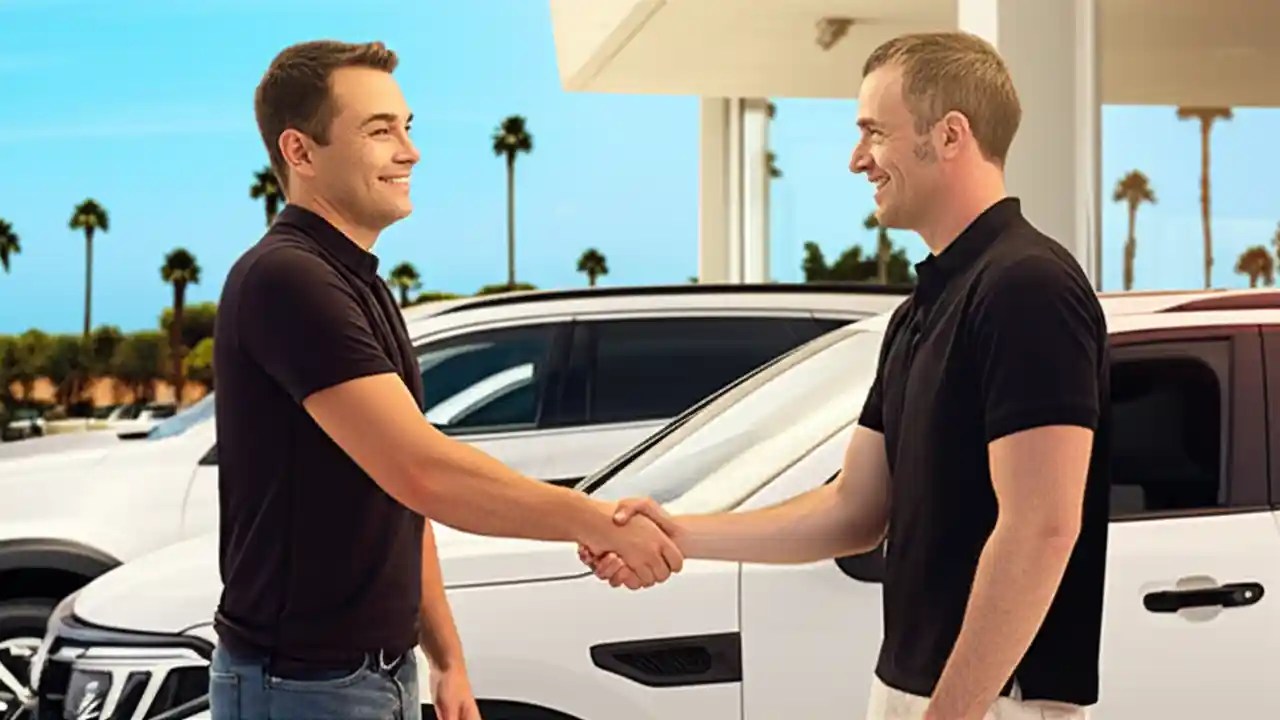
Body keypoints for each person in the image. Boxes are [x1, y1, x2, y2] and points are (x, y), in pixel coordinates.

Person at [581, 31, 1111, 720]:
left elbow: (1041, 528)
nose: (858, 159)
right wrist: (676, 533)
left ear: (950, 135)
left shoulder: (1027, 287)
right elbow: (853, 510)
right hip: (916, 690)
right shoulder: (922, 309)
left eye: (874, 133)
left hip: (990, 703)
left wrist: (950, 714)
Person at [208, 40, 682, 720]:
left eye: (406, 127)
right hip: (302, 688)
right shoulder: (288, 279)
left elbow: (398, 494)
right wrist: (601, 523)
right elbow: (424, 472)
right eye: (379, 131)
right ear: (300, 151)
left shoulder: (356, 281)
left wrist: (446, 657)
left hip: (369, 675)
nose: (410, 152)